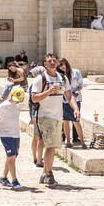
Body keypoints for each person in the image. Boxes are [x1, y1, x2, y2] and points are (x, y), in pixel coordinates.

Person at [30, 54, 66, 187]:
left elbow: (69, 95)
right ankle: (49, 174)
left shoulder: (62, 78)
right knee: (50, 146)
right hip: (45, 116)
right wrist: (48, 92)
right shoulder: (40, 79)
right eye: (49, 61)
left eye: (54, 60)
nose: (52, 62)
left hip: (58, 116)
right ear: (44, 64)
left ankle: (44, 173)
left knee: (53, 146)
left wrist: (76, 109)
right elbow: (34, 98)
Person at [0, 86, 26, 190]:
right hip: (5, 135)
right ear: (11, 95)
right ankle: (14, 180)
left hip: (16, 135)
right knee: (11, 156)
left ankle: (3, 177)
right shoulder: (3, 106)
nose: (16, 102)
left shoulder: (18, 105)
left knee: (12, 156)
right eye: (15, 99)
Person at [64, 61, 86, 148]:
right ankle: (68, 141)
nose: (61, 67)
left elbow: (81, 84)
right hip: (64, 100)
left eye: (63, 65)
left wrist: (76, 92)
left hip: (75, 99)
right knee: (65, 121)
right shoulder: (60, 75)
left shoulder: (76, 72)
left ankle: (82, 142)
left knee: (76, 120)